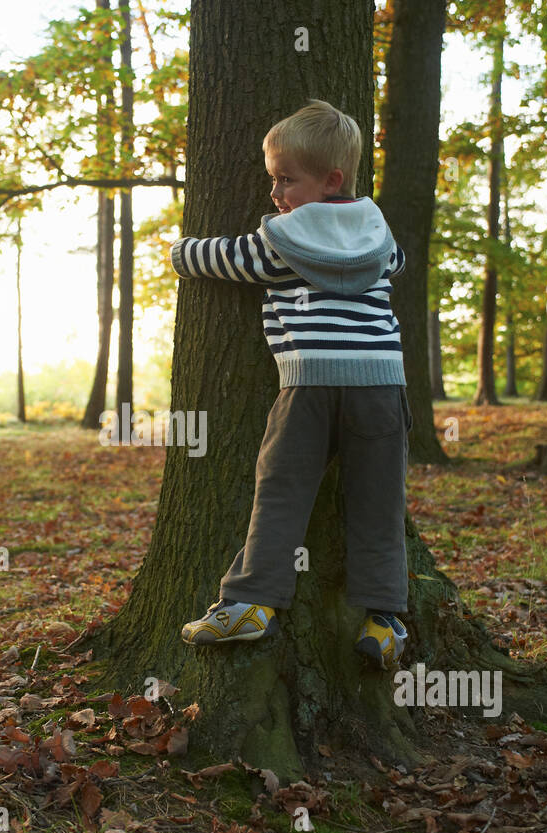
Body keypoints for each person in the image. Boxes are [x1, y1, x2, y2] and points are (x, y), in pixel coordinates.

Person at [169, 98, 412, 670]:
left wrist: (181, 253)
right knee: (379, 502)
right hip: (380, 384)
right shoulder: (378, 234)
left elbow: (229, 259)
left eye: (286, 180)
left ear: (330, 181)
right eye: (273, 179)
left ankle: (252, 602)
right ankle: (386, 620)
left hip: (307, 386)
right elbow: (397, 264)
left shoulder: (284, 242)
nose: (276, 194)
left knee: (279, 492)